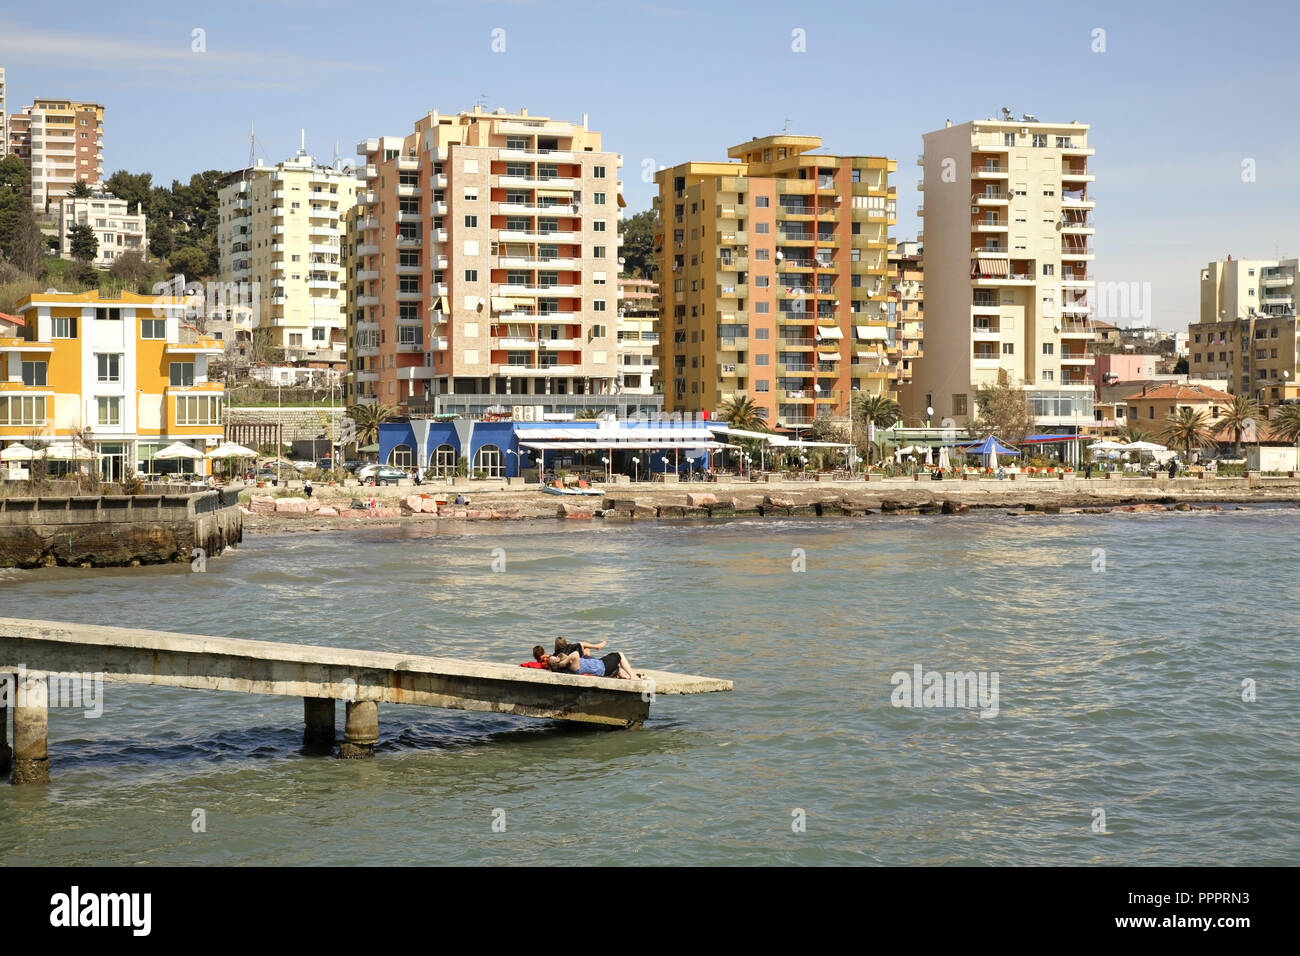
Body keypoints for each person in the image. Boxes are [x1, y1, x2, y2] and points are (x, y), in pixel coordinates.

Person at [543, 647, 638, 680]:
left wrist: (559, 658)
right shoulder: (573, 666)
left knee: (612, 657)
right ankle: (633, 676)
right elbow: (575, 654)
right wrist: (562, 662)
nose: (556, 658)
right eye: (554, 659)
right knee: (619, 655)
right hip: (603, 668)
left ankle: (620, 673)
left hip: (600, 662)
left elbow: (562, 656)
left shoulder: (569, 663)